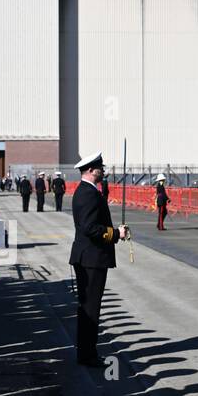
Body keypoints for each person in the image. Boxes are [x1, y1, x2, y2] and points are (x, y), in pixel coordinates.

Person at [69, 152, 128, 367]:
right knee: (90, 308)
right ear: (92, 171)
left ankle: (87, 352)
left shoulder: (89, 191)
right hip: (90, 259)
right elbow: (90, 228)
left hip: (91, 258)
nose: (103, 170)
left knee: (90, 306)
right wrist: (115, 234)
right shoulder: (87, 194)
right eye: (100, 168)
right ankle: (87, 355)